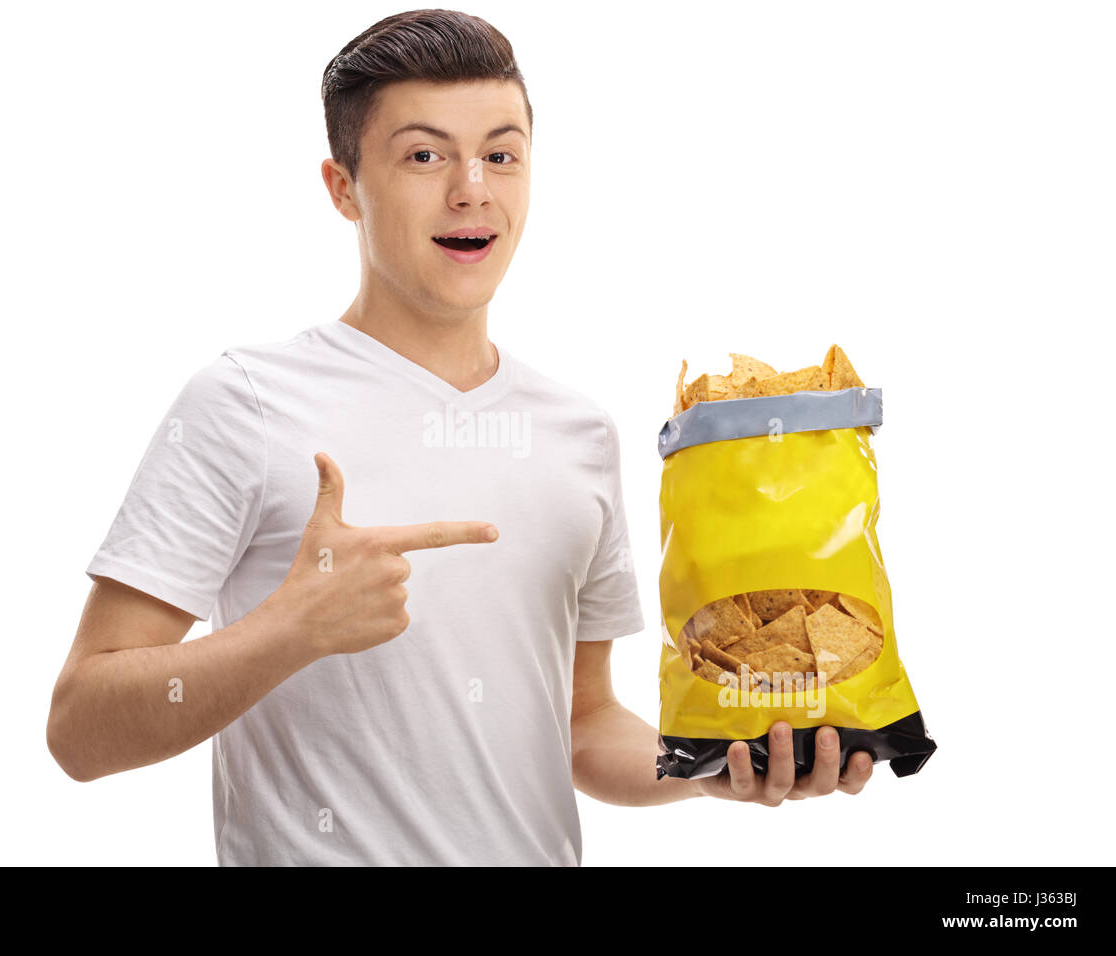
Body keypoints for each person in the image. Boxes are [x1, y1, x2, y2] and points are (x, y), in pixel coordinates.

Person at [46, 8, 873, 867]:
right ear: (342, 188)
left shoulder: (579, 432)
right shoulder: (244, 402)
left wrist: (705, 769)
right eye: (424, 155)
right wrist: (291, 630)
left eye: (502, 155)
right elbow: (80, 729)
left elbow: (584, 723)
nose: (472, 187)